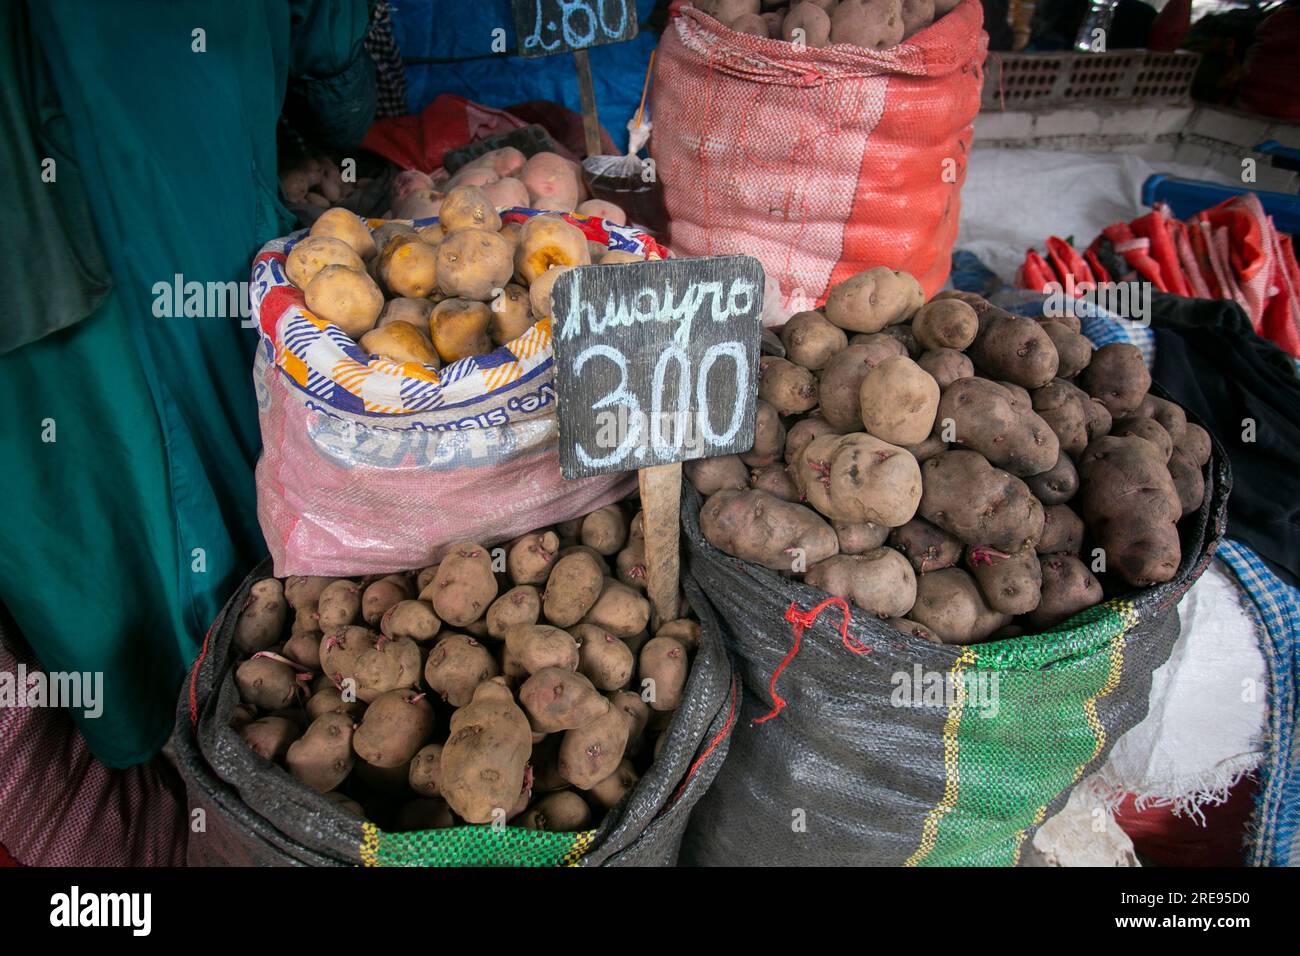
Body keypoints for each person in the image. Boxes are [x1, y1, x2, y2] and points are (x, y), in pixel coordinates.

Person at [0, 0, 376, 767]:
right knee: (228, 461)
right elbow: (332, 60)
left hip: (34, 267)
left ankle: (182, 748)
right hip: (181, 188)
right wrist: (330, 111)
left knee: (81, 507)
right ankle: (226, 752)